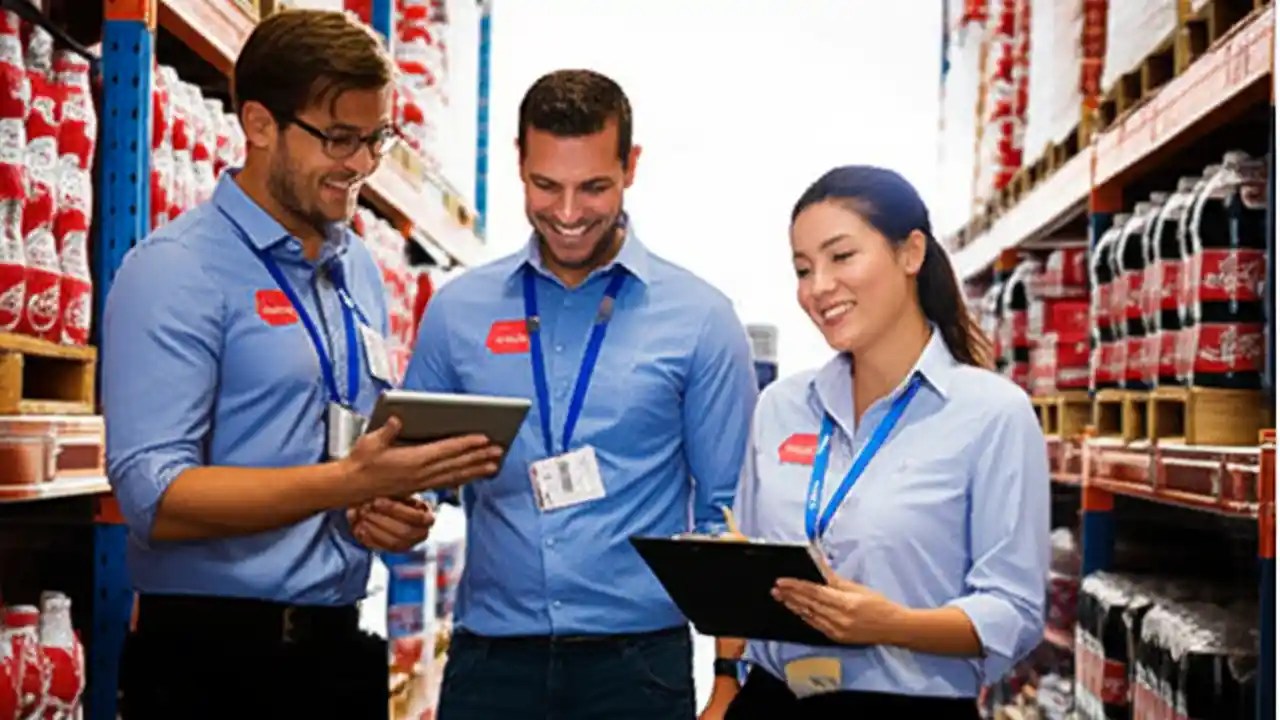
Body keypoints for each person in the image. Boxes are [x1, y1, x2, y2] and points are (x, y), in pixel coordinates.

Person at [102, 10, 503, 719]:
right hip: (212, 665)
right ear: (259, 124)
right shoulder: (175, 270)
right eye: (338, 139)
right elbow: (153, 497)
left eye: (375, 138)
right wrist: (348, 480)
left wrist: (382, 509)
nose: (361, 164)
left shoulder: (357, 271)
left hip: (339, 649)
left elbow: (337, 457)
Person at [402, 68, 760, 720]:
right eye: (546, 185)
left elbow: (729, 518)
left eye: (594, 187)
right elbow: (409, 482)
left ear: (632, 165)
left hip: (638, 670)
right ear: (520, 164)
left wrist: (730, 680)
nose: (567, 214)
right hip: (491, 665)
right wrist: (389, 508)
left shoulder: (702, 320)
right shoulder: (457, 313)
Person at [703, 165, 1049, 719]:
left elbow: (1015, 610)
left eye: (841, 257)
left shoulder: (991, 415)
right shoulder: (781, 408)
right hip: (770, 698)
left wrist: (892, 625)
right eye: (802, 268)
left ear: (911, 254)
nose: (818, 287)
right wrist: (724, 685)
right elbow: (748, 563)